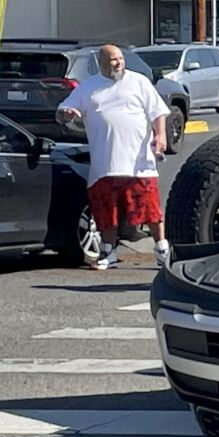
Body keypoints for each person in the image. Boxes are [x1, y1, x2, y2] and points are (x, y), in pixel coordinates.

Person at [57, 44, 171, 271]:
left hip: (139, 163)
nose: (118, 63)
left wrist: (160, 135)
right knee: (106, 209)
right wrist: (67, 113)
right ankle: (108, 251)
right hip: (105, 164)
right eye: (113, 60)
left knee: (150, 209)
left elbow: (158, 111)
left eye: (120, 58)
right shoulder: (89, 88)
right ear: (101, 63)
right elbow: (63, 110)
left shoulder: (138, 82)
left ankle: (161, 250)